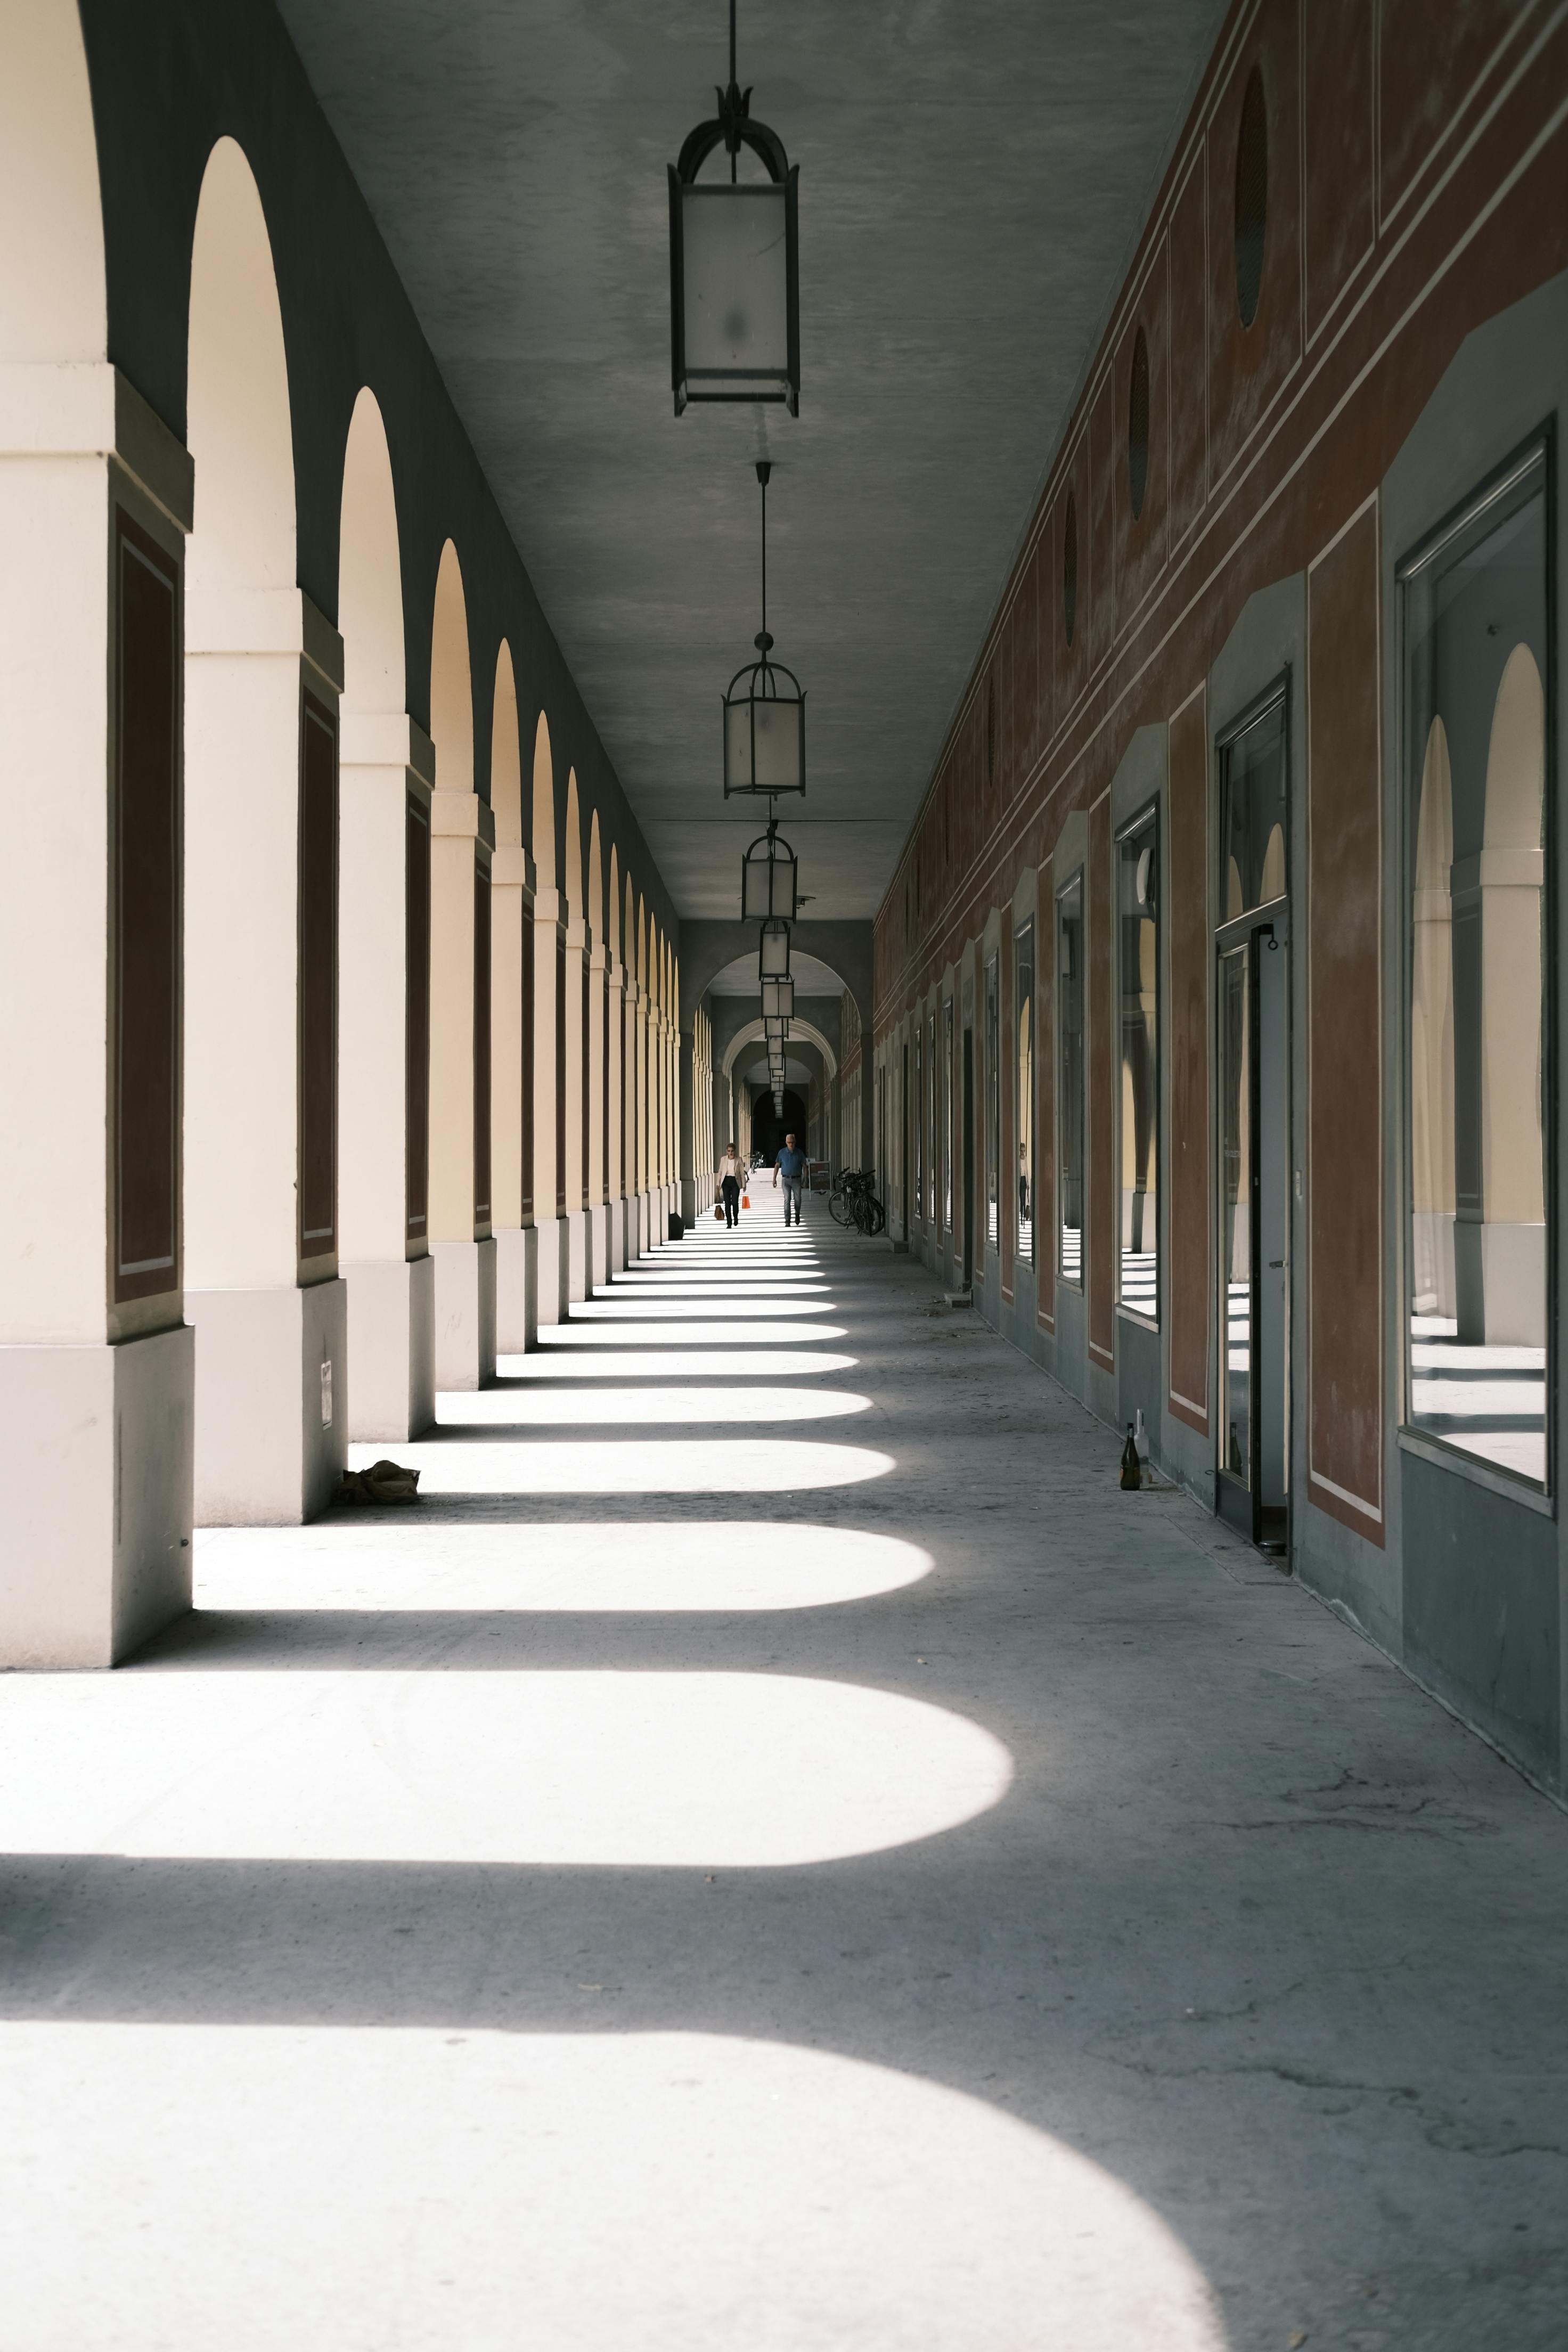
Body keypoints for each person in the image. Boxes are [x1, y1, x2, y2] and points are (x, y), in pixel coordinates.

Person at [772, 1130, 807, 1227]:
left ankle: (797, 1213)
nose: (791, 1144)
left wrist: (805, 1179)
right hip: (786, 1180)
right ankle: (787, 1220)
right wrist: (774, 1179)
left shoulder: (799, 1153)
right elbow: (777, 1165)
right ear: (786, 1143)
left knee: (798, 1199)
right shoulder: (782, 1152)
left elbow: (805, 1166)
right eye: (789, 1142)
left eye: (792, 1142)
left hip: (797, 1179)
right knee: (787, 1199)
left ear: (795, 1142)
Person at [717, 1139, 742, 1229]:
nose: (730, 1153)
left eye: (732, 1151)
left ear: (735, 1151)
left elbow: (742, 1173)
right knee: (727, 1203)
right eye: (729, 1151)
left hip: (735, 1182)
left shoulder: (739, 1160)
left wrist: (744, 1185)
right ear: (727, 1151)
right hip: (726, 1182)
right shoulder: (723, 1159)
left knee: (735, 1202)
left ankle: (736, 1217)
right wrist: (718, 1183)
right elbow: (720, 1172)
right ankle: (729, 1223)